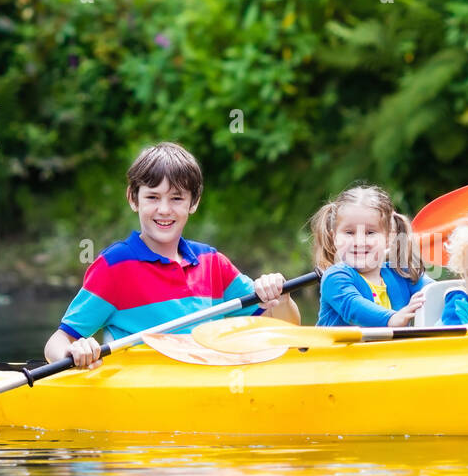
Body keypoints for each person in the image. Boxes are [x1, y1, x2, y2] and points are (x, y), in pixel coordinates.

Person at [43, 142, 299, 368]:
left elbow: (286, 330)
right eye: (153, 197)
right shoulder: (114, 266)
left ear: (194, 202)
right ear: (134, 199)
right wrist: (74, 351)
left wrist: (282, 297)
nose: (164, 209)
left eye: (177, 198)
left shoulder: (212, 263)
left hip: (210, 385)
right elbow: (57, 342)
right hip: (145, 397)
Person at [310, 185, 432, 327]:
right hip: (342, 349)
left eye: (370, 233)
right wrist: (392, 319)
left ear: (388, 239)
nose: (359, 242)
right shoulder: (335, 277)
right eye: (349, 232)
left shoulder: (401, 273)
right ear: (334, 238)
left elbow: (434, 292)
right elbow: (354, 308)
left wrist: (455, 292)